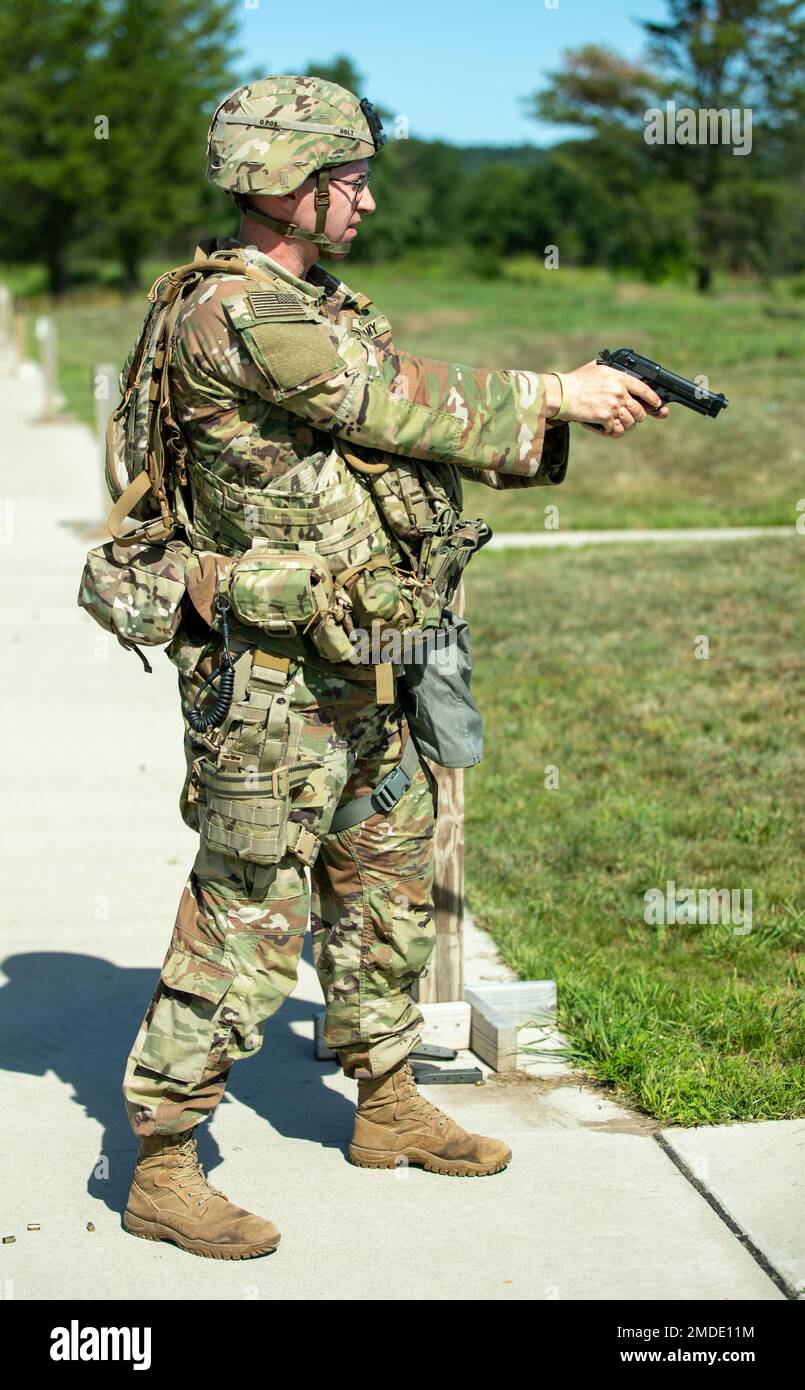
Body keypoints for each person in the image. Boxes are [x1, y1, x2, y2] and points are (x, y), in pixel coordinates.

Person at [121, 74, 669, 1260]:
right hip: (270, 680)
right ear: (284, 185)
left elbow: (381, 436)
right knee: (247, 908)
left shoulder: (312, 297)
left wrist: (560, 418)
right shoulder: (235, 309)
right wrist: (545, 392)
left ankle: (386, 1101)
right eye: (346, 179)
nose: (365, 199)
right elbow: (380, 400)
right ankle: (164, 1160)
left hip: (365, 653)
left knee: (384, 879)